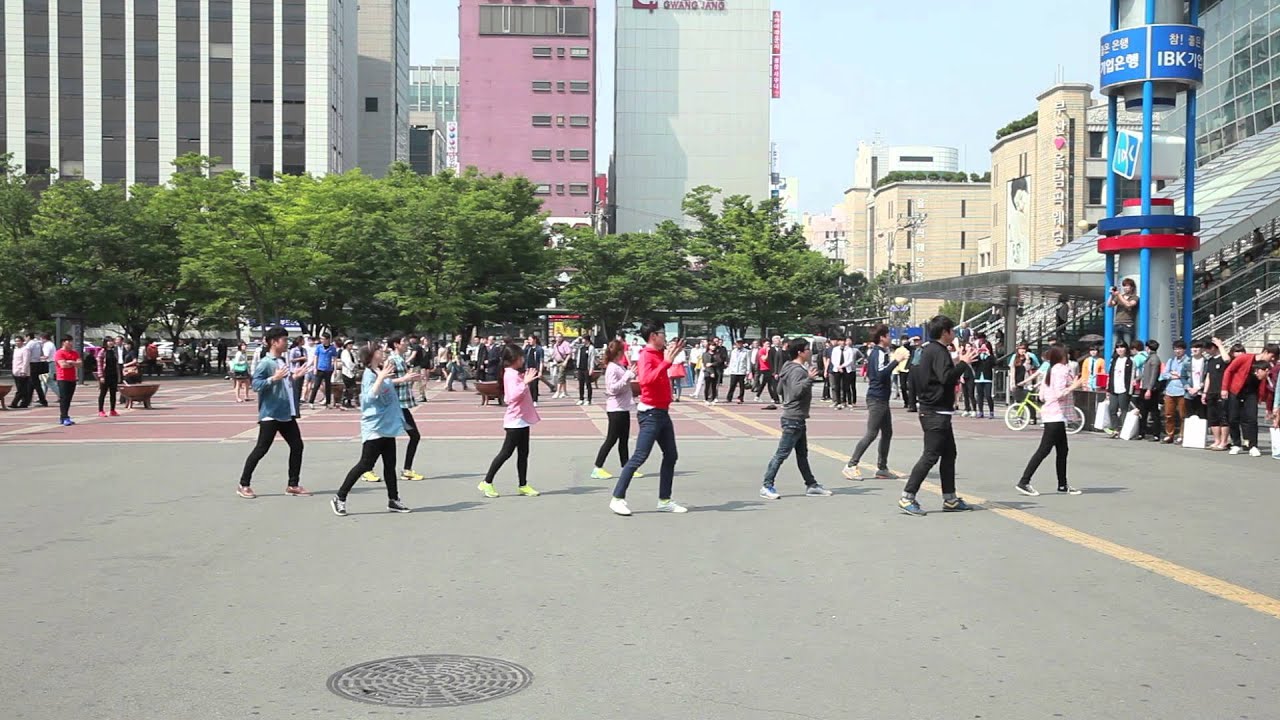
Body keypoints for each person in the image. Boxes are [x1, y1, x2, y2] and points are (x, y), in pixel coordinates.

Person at [899, 316, 977, 516]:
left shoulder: (925, 350)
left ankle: (949, 498)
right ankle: (907, 496)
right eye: (952, 330)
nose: (954, 334)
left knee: (949, 454)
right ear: (945, 332)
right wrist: (964, 363)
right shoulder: (940, 351)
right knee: (931, 455)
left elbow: (918, 375)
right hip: (936, 411)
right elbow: (946, 378)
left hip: (931, 408)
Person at [609, 322, 688, 516]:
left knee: (671, 455)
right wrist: (666, 363)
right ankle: (617, 498)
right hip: (650, 413)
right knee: (639, 456)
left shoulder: (660, 353)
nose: (665, 337)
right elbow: (645, 380)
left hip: (662, 411)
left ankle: (664, 500)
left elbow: (662, 372)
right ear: (653, 335)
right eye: (663, 334)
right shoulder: (646, 355)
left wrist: (669, 358)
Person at [331, 345, 412, 516]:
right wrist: (381, 378)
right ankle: (340, 497)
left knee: (390, 465)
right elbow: (369, 397)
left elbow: (387, 383)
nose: (383, 353)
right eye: (379, 351)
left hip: (387, 426)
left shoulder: (378, 371)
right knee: (365, 464)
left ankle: (393, 499)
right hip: (375, 427)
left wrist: (402, 379)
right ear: (371, 355)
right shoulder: (369, 374)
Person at [238, 326, 310, 499]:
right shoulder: (266, 363)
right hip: (271, 413)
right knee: (261, 448)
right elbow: (256, 385)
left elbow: (284, 383)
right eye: (284, 340)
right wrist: (273, 378)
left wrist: (294, 377)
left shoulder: (281, 361)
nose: (286, 343)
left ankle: (293, 484)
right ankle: (243, 484)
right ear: (273, 342)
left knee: (297, 446)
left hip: (285, 413)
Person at [759, 337, 832, 499]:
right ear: (800, 352)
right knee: (781, 454)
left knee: (802, 454)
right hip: (793, 417)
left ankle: (811, 485)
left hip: (796, 416)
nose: (810, 352)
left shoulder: (787, 367)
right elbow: (795, 392)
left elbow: (780, 389)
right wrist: (809, 380)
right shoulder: (798, 370)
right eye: (807, 349)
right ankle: (767, 485)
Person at [1015, 346, 1085, 496]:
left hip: (1051, 413)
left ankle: (1062, 484)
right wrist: (1075, 385)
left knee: (1062, 450)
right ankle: (1024, 481)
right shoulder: (1062, 370)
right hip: (1056, 414)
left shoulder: (1050, 370)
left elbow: (1041, 396)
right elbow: (1060, 393)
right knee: (1044, 449)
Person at [477, 344, 543, 498]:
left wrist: (526, 379)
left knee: (523, 453)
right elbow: (511, 397)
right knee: (506, 453)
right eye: (520, 357)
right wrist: (525, 382)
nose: (523, 359)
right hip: (515, 420)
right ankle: (487, 482)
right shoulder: (510, 374)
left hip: (522, 419)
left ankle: (523, 484)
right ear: (513, 359)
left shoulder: (515, 373)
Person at [843, 325, 901, 480]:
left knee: (887, 432)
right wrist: (896, 361)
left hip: (881, 397)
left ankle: (882, 468)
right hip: (877, 398)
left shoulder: (878, 352)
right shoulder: (879, 353)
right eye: (888, 335)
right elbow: (882, 374)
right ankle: (851, 465)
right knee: (872, 433)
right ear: (882, 337)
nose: (890, 338)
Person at [367, 333, 425, 483]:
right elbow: (386, 381)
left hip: (402, 404)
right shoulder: (392, 360)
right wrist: (404, 379)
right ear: (396, 345)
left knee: (388, 438)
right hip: (396, 405)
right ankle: (370, 468)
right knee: (406, 436)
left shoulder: (401, 360)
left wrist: (411, 378)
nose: (407, 344)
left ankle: (403, 469)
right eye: (404, 341)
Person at [592, 340, 641, 481]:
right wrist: (627, 376)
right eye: (623, 350)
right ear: (618, 352)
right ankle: (597, 467)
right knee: (611, 439)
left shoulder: (619, 365)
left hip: (623, 406)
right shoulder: (612, 368)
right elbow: (612, 388)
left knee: (624, 439)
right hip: (615, 408)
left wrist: (630, 374)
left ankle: (626, 467)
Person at [1160, 341, 1191, 443]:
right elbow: (1164, 374)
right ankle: (1170, 434)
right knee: (1169, 414)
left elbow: (1187, 376)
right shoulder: (1171, 360)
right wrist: (1173, 375)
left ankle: (1182, 435)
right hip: (1170, 390)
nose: (1177, 351)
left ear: (1184, 349)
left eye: (1179, 349)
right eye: (1175, 349)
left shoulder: (1188, 361)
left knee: (1183, 415)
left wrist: (1178, 375)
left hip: (1182, 390)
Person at [1203, 339, 1230, 450]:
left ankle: (1224, 442)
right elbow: (1208, 377)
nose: (1206, 351)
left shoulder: (1223, 358)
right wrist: (1205, 392)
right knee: (1212, 417)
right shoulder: (1210, 361)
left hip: (1222, 391)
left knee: (1223, 416)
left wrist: (1220, 345)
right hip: (1211, 392)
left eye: (1207, 349)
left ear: (1213, 348)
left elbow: (1227, 359)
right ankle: (1217, 440)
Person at [1104, 342, 1134, 438]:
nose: (1120, 349)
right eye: (1118, 347)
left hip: (1124, 389)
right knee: (1112, 409)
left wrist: (1130, 389)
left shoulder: (1130, 361)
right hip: (1114, 388)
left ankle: (1124, 430)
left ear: (1126, 349)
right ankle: (1116, 429)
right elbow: (1110, 375)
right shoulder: (1114, 360)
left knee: (1124, 410)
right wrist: (1108, 389)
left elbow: (1133, 375)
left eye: (1122, 347)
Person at [52, 336, 83, 426]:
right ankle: (64, 417)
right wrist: (73, 363)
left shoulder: (74, 353)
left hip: (72, 378)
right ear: (63, 342)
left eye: (71, 341)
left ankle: (64, 416)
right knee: (64, 398)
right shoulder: (59, 353)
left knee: (69, 399)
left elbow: (80, 364)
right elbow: (63, 365)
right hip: (62, 378)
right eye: (68, 341)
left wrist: (71, 362)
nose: (70, 343)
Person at [307, 334, 341, 408]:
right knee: (316, 385)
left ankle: (328, 402)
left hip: (328, 369)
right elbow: (316, 357)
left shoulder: (332, 348)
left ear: (327, 339)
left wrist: (335, 369)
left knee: (328, 386)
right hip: (320, 368)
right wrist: (315, 368)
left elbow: (335, 359)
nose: (321, 340)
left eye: (323, 339)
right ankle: (311, 401)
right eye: (321, 339)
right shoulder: (319, 347)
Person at [971, 334, 996, 419]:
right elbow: (973, 363)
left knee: (988, 395)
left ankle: (991, 411)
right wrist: (977, 353)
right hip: (979, 377)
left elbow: (994, 363)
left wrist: (988, 354)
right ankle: (980, 411)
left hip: (987, 377)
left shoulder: (990, 357)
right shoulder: (978, 356)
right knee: (979, 395)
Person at [1109, 279, 1139, 347]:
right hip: (1117, 324)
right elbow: (1109, 305)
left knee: (1127, 345)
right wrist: (1111, 295)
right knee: (1115, 345)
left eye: (1127, 286)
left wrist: (1119, 295)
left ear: (1132, 287)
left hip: (1128, 325)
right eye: (1124, 286)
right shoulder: (1119, 296)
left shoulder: (1135, 297)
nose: (1125, 288)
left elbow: (1128, 304)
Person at [96, 337, 121, 417]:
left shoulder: (114, 351)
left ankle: (112, 410)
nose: (110, 343)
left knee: (113, 393)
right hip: (105, 375)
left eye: (111, 341)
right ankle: (101, 410)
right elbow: (99, 365)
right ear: (105, 342)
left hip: (114, 375)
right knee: (103, 393)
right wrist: (101, 376)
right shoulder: (102, 352)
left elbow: (117, 364)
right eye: (109, 341)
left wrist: (119, 376)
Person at [574, 337, 598, 406]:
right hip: (580, 368)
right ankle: (581, 398)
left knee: (588, 384)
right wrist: (577, 340)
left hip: (587, 368)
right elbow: (572, 345)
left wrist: (591, 369)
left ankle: (589, 399)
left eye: (583, 339)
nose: (582, 340)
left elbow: (592, 359)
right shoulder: (581, 347)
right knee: (580, 384)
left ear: (587, 340)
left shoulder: (591, 348)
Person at [27, 333, 49, 407]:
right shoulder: (38, 343)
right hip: (38, 363)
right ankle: (28, 399)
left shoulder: (30, 344)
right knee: (31, 383)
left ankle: (43, 400)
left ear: (28, 337)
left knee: (35, 383)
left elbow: (27, 354)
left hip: (32, 363)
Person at [10, 336, 32, 408]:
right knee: (22, 389)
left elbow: (26, 361)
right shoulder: (16, 349)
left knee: (21, 389)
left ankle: (14, 403)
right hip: (15, 371)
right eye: (16, 341)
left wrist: (23, 371)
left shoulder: (25, 349)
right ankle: (24, 403)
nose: (17, 343)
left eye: (19, 341)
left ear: (22, 342)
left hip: (22, 372)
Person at [524, 335, 545, 406]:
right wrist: (524, 345)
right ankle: (529, 399)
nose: (529, 341)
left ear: (534, 340)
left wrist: (540, 371)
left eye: (530, 339)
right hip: (528, 369)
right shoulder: (528, 348)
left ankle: (535, 400)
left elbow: (541, 361)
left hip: (535, 368)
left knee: (534, 385)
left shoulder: (539, 349)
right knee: (528, 385)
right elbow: (522, 354)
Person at [339, 340, 359, 409]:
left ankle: (349, 402)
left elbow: (355, 361)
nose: (351, 346)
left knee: (352, 388)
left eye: (351, 344)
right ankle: (343, 402)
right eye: (349, 344)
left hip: (352, 373)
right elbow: (348, 363)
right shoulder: (344, 352)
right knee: (347, 388)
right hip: (347, 372)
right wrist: (353, 367)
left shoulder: (352, 353)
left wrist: (356, 365)